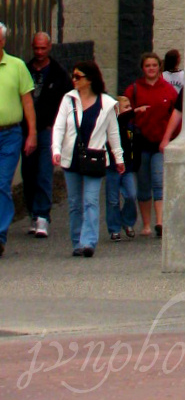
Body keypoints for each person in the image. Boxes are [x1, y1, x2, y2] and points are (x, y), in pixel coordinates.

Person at [51, 60, 123, 256]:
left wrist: (119, 158)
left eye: (78, 76)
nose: (74, 80)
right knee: (75, 203)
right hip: (71, 157)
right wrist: (56, 149)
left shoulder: (106, 103)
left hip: (94, 157)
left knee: (90, 200)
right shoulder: (69, 99)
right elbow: (59, 127)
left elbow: (113, 132)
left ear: (89, 80)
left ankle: (88, 242)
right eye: (73, 76)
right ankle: (77, 242)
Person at [124, 53, 177, 239]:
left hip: (160, 144)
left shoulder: (169, 90)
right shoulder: (134, 90)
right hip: (140, 144)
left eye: (154, 65)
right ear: (143, 68)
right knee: (144, 185)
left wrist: (171, 140)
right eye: (148, 65)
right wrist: (134, 112)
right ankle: (146, 224)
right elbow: (122, 115)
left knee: (158, 181)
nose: (151, 68)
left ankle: (160, 222)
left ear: (159, 67)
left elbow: (176, 117)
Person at [22, 32, 69, 239]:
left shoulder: (59, 73)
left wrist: (57, 127)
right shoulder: (24, 69)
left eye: (43, 48)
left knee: (43, 172)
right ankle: (33, 211)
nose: (39, 52)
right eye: (36, 48)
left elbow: (67, 102)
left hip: (47, 130)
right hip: (26, 129)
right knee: (28, 172)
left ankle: (42, 215)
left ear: (49, 47)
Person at [0, 24, 36, 258]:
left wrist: (32, 133)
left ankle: (0, 235)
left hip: (10, 134)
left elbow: (27, 103)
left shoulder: (17, 66)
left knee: (2, 184)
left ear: (3, 41)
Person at [106, 96, 139, 241]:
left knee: (131, 195)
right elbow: (120, 119)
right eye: (126, 107)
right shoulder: (114, 124)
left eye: (130, 106)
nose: (130, 110)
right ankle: (114, 228)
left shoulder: (131, 128)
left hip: (128, 168)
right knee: (113, 199)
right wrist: (135, 111)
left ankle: (127, 221)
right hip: (112, 167)